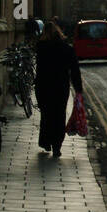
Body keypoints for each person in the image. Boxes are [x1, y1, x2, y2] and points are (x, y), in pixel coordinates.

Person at [34, 19, 83, 159]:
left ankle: (46, 142)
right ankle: (57, 146)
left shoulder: (41, 48)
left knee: (46, 115)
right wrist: (78, 88)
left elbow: (39, 69)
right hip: (61, 87)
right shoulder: (66, 48)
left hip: (44, 86)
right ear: (59, 33)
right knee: (59, 115)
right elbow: (74, 70)